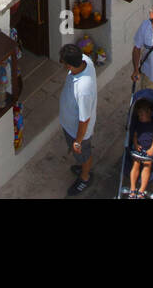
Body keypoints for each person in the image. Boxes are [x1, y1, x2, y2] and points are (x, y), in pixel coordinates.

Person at [59, 43, 97, 196]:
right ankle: (82, 166)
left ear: (69, 65)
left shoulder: (83, 89)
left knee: (83, 154)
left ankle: (85, 176)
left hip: (78, 132)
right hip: (69, 125)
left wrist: (78, 141)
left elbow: (84, 119)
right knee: (79, 155)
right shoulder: (85, 61)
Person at [126, 99, 153, 198]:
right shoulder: (138, 124)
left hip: (149, 151)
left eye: (142, 115)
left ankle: (141, 190)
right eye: (139, 115)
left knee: (147, 166)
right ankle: (132, 189)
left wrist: (152, 149)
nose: (140, 117)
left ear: (149, 114)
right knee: (135, 165)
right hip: (139, 149)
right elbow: (135, 135)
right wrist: (136, 144)